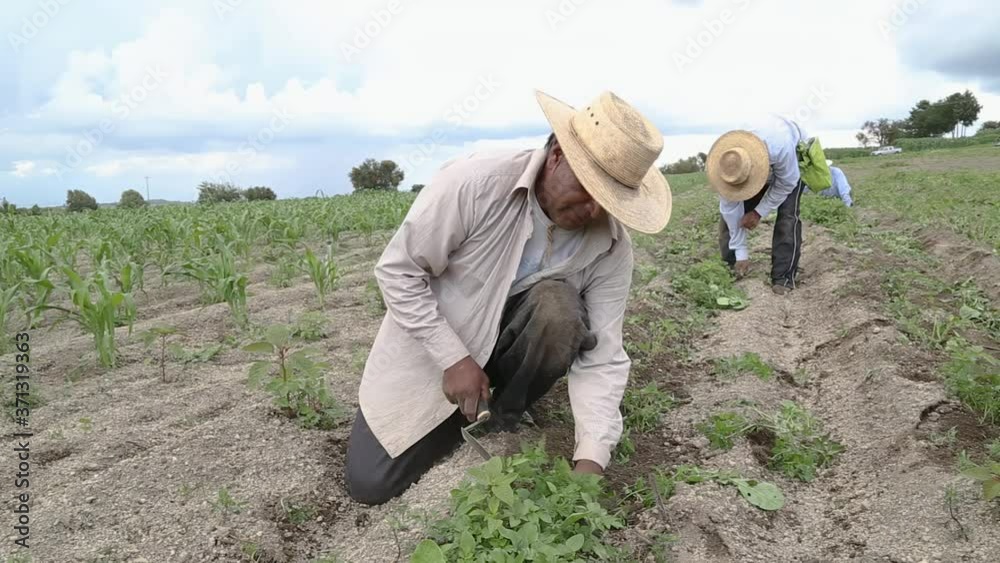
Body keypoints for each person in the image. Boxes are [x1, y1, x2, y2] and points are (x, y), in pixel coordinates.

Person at [344, 90, 673, 505]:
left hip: (510, 348)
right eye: (588, 188)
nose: (592, 210)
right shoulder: (476, 184)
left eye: (608, 201)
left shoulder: (609, 247)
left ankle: (503, 417)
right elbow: (399, 271)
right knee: (371, 484)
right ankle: (455, 411)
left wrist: (592, 458)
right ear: (556, 155)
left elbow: (604, 355)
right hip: (436, 348)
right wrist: (454, 358)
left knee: (558, 308)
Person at [707, 115, 812, 295]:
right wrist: (742, 253)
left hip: (791, 163)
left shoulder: (780, 147)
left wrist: (758, 212)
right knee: (727, 219)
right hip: (758, 162)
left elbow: (787, 183)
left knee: (787, 216)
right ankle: (732, 266)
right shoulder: (727, 165)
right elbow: (731, 212)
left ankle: (783, 277)